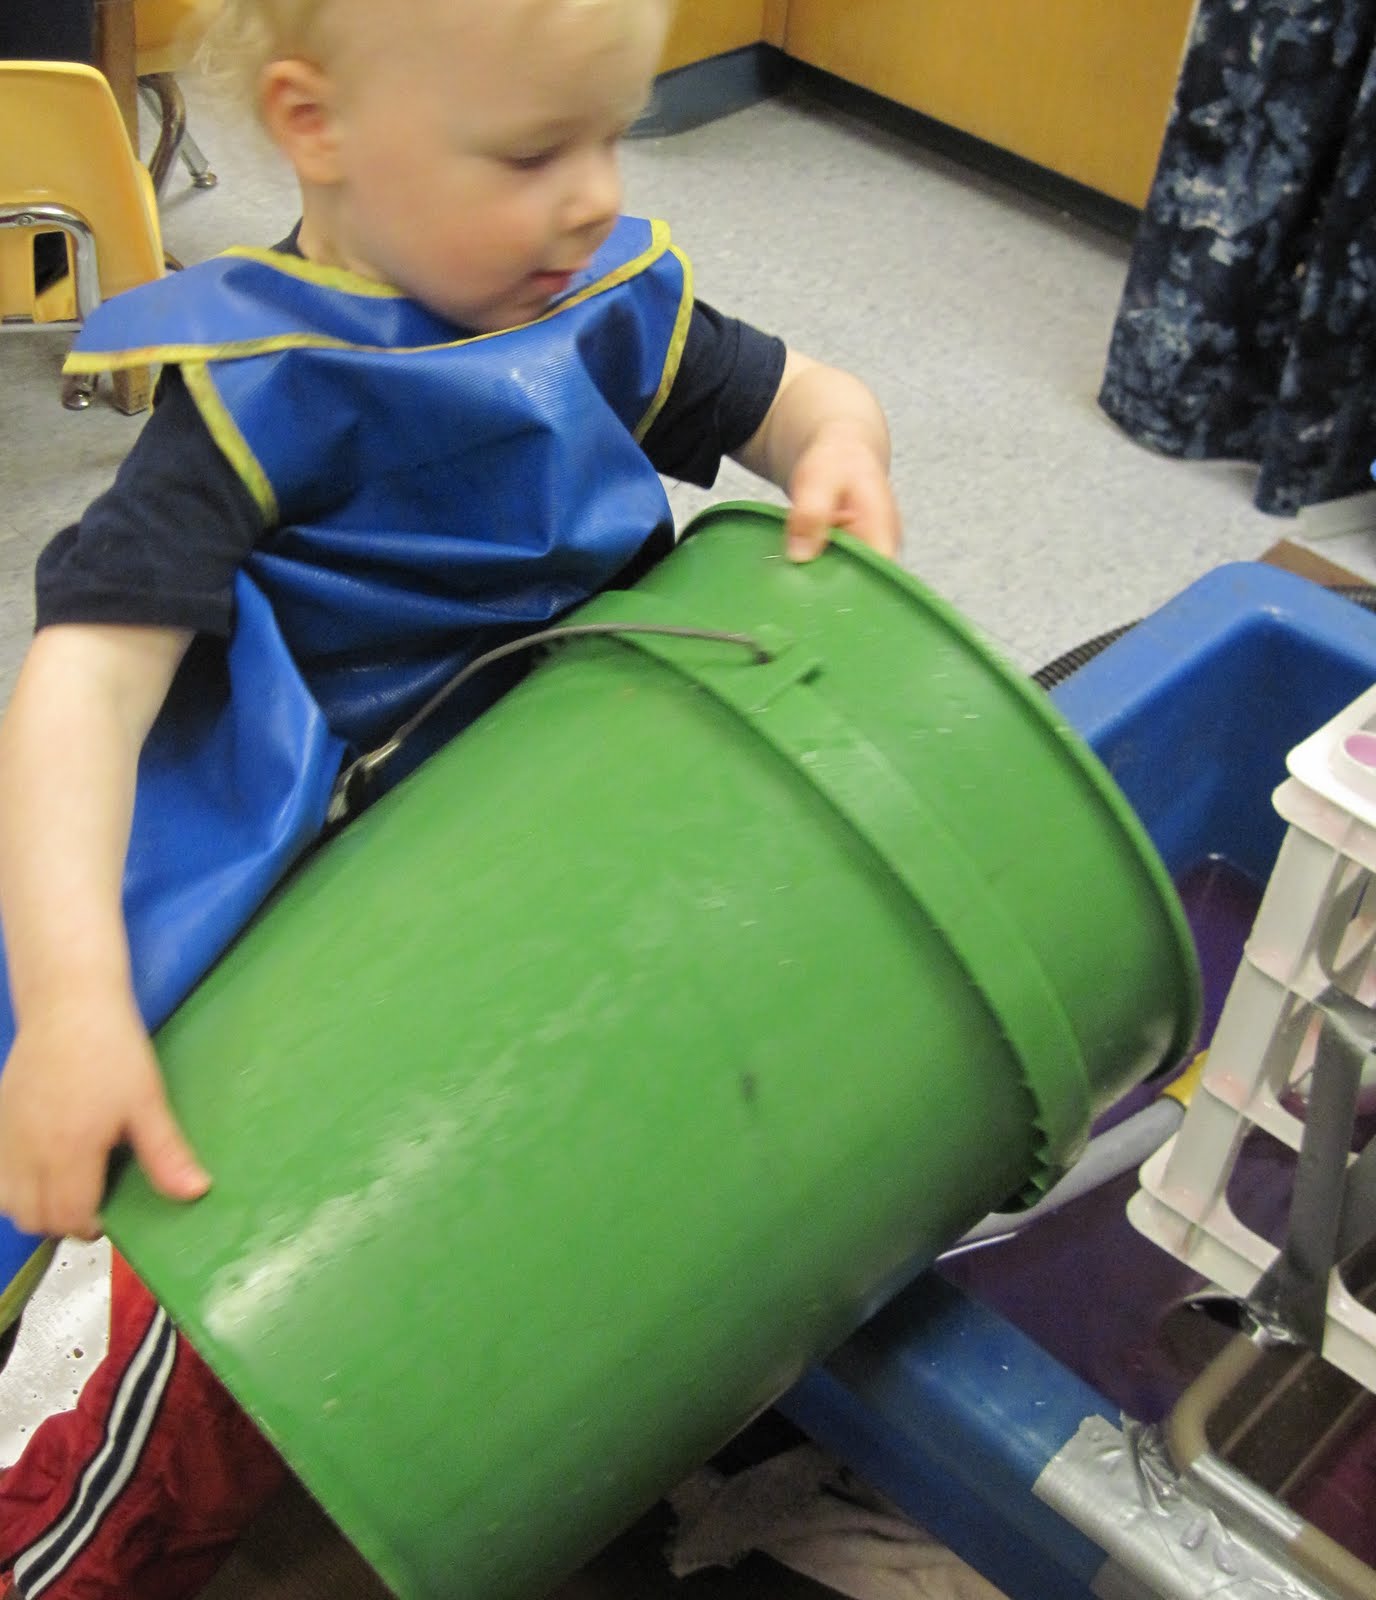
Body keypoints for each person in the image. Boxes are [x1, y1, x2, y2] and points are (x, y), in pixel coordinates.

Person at [0, 0, 902, 1592]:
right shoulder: (257, 384)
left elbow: (799, 396)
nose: (592, 197)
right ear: (318, 123)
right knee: (153, 1288)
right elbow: (84, 684)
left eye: (614, 136)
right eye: (534, 149)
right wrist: (75, 1003)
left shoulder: (603, 301)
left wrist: (839, 439)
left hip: (559, 836)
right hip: (319, 888)